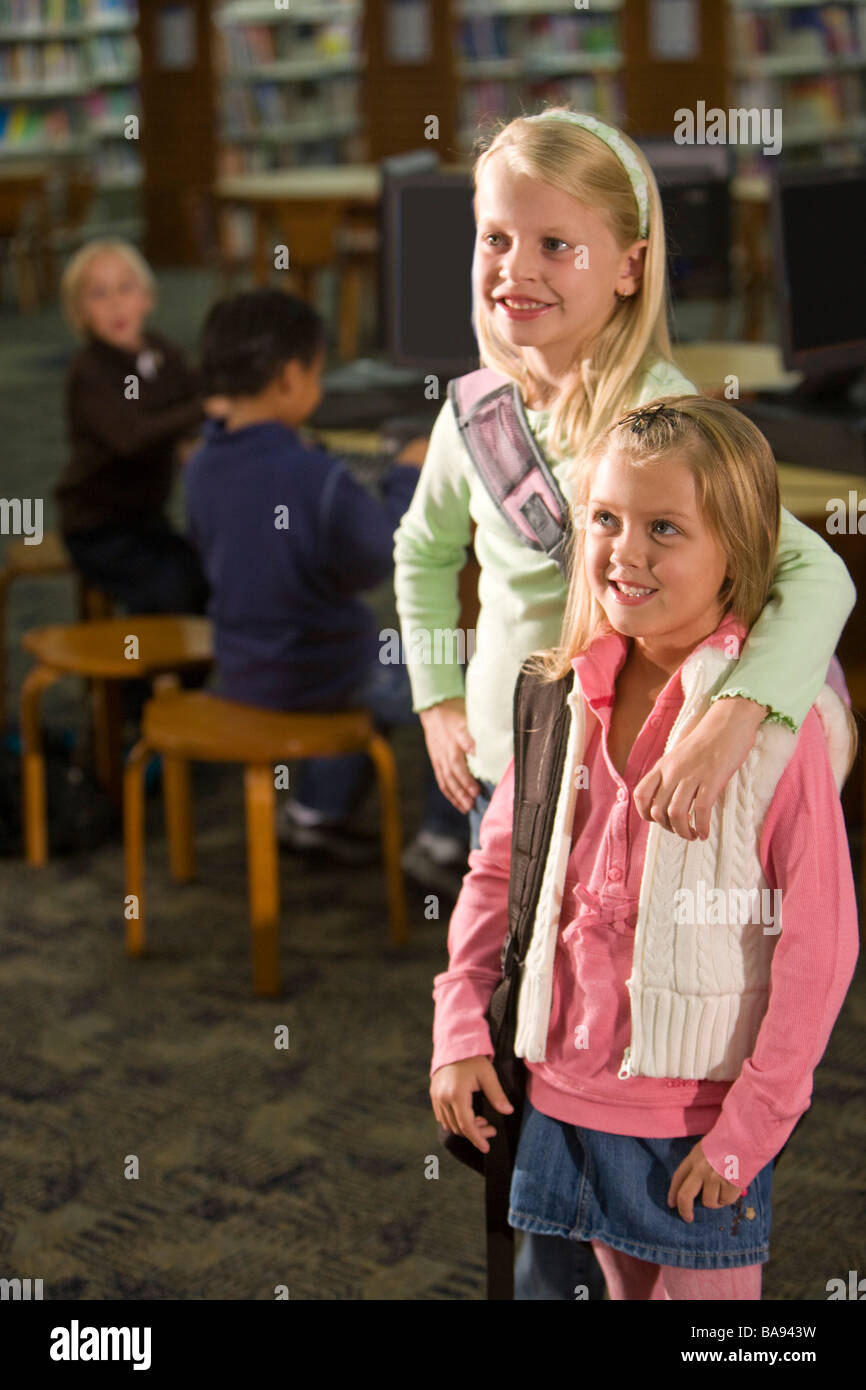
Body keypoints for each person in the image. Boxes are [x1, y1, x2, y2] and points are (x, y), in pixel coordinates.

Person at [431, 396, 859, 1300]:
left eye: (664, 528)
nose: (625, 553)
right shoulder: (557, 696)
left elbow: (819, 946)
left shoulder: (781, 737)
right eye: (605, 520)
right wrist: (459, 1023)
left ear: (741, 558)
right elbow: (498, 873)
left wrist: (754, 1122)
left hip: (698, 1123)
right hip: (559, 1102)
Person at [393, 107, 856, 860]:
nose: (517, 268)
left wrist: (732, 718)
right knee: (510, 971)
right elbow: (423, 551)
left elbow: (817, 574)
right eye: (496, 239)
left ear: (629, 267)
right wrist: (437, 699)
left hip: (618, 776)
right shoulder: (475, 409)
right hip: (505, 763)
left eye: (556, 245)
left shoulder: (662, 421)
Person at [185, 289, 467, 869]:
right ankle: (444, 842)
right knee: (450, 668)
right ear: (291, 378)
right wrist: (407, 476)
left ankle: (316, 811)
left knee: (376, 661)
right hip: (319, 671)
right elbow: (380, 556)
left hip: (240, 663)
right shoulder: (313, 475)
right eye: (317, 371)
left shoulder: (201, 465)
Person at [56, 238, 209, 619]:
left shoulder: (159, 352)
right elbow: (131, 438)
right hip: (97, 527)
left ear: (147, 298)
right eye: (98, 294)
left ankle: (175, 678)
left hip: (148, 520)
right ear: (80, 312)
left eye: (126, 288)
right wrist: (201, 409)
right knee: (170, 593)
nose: (115, 303)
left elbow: (198, 390)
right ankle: (138, 678)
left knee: (205, 581)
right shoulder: (90, 370)